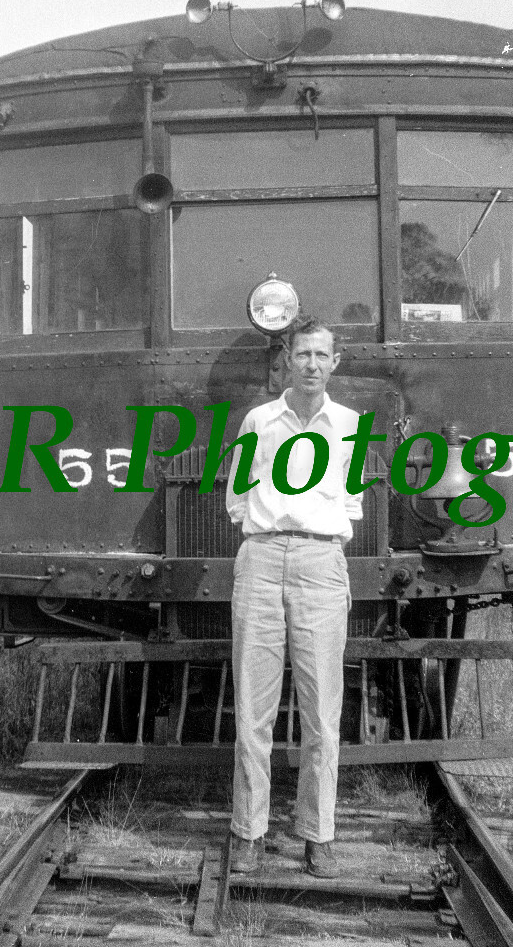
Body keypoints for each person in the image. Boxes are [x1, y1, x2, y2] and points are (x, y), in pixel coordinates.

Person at [223, 317, 362, 878]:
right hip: (260, 561)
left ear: (334, 363)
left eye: (320, 354)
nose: (310, 363)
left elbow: (350, 500)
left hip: (321, 564)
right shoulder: (260, 420)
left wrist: (314, 540)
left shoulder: (349, 425)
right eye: (301, 353)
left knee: (322, 712)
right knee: (254, 709)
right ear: (286, 359)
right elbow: (237, 494)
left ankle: (318, 834)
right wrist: (269, 534)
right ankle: (248, 831)